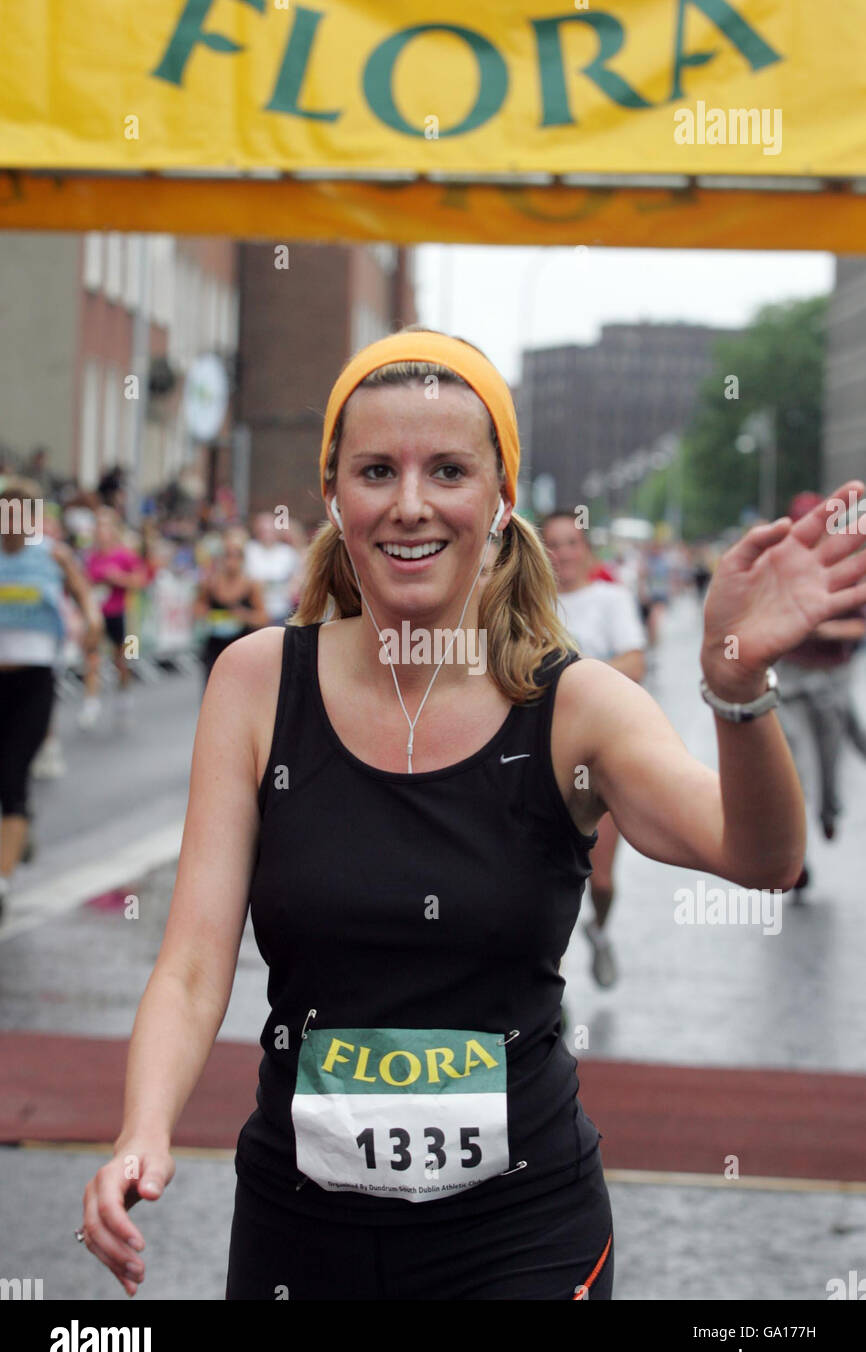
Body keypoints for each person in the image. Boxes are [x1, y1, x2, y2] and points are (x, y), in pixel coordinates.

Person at [77, 328, 866, 1302]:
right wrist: (140, 1130)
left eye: (447, 469)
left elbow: (759, 856)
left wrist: (736, 685)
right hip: (297, 1229)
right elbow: (193, 967)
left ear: (498, 502)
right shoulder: (253, 683)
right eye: (376, 470)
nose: (410, 503)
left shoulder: (571, 705)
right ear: (335, 498)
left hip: (520, 1238)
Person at [541, 514, 646, 988]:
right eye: (552, 544)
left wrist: (570, 679)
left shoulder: (611, 598)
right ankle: (545, 987)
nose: (562, 553)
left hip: (598, 760)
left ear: (586, 548)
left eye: (571, 542)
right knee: (536, 887)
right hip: (539, 759)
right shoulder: (526, 603)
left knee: (599, 881)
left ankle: (599, 929)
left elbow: (635, 662)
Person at [0, 476, 103, 919]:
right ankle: (19, 833)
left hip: (34, 681)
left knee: (12, 775)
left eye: (21, 518)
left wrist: (93, 622)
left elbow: (83, 595)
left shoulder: (51, 556)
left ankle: (1, 882)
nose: (13, 528)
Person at [775, 491, 866, 899]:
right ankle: (796, 859)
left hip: (831, 677)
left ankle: (830, 811)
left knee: (831, 765)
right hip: (789, 678)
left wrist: (823, 629)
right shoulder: (779, 570)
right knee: (792, 767)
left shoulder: (846, 571)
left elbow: (859, 627)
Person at [79, 507, 149, 730]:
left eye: (106, 526)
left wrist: (118, 578)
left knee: (123, 660)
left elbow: (140, 581)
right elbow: (82, 583)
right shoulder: (90, 556)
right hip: (97, 615)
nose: (101, 532)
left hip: (123, 615)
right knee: (92, 659)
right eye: (98, 526)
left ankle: (123, 696)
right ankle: (91, 705)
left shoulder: (125, 555)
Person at [193, 529, 269, 688]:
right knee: (212, 689)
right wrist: (206, 614)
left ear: (243, 558)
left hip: (242, 647)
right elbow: (197, 609)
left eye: (236, 555)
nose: (231, 560)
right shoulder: (211, 583)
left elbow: (263, 618)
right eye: (227, 555)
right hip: (215, 647)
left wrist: (244, 616)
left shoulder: (251, 585)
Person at [244, 511, 304, 626]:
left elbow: (297, 579)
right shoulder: (249, 550)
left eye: (269, 530)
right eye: (262, 530)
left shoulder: (287, 553)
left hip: (282, 610)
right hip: (254, 610)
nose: (266, 534)